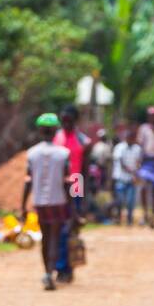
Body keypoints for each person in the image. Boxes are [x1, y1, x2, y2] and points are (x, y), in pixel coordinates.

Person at [21, 113, 72, 291]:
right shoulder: (64, 153)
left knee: (46, 239)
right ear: (57, 129)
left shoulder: (32, 153)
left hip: (40, 202)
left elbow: (28, 181)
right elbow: (70, 181)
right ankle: (51, 272)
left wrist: (23, 205)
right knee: (55, 239)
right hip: (58, 201)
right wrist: (74, 205)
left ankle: (47, 272)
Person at [52, 105, 91, 283]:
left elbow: (84, 172)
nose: (65, 123)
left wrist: (82, 200)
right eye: (63, 120)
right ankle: (61, 266)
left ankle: (66, 266)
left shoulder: (83, 142)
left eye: (69, 120)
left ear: (75, 120)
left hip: (75, 187)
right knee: (57, 229)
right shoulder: (55, 138)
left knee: (69, 229)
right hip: (56, 188)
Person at [111, 123, 141, 226]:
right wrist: (132, 171)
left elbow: (138, 162)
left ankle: (129, 219)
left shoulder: (137, 148)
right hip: (121, 178)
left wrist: (136, 173)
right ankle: (118, 217)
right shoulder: (119, 147)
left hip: (131, 179)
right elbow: (121, 162)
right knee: (119, 200)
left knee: (130, 201)